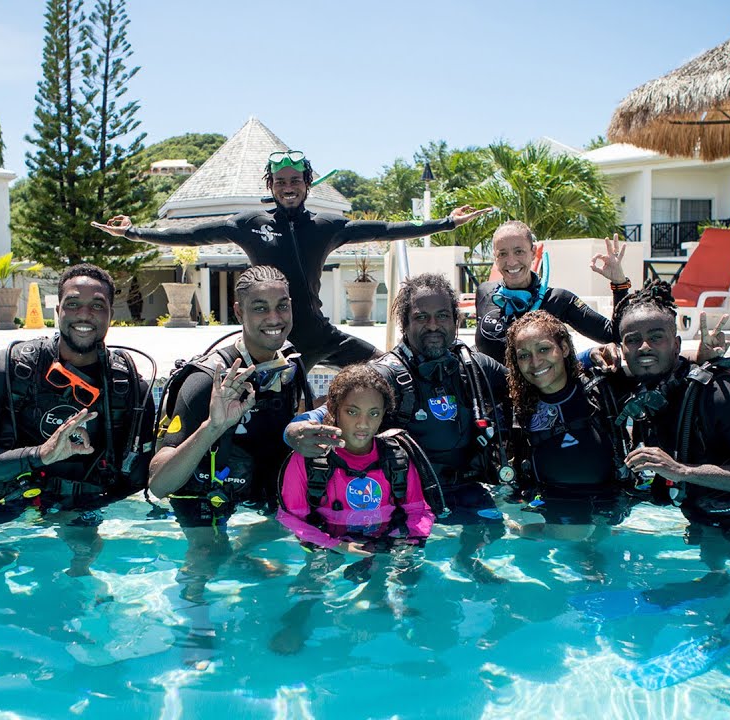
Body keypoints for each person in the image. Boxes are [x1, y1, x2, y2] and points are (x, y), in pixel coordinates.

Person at [93, 149, 490, 370]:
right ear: (271, 185)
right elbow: (192, 235)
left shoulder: (327, 224)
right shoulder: (248, 222)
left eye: (295, 181)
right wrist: (133, 231)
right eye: (280, 182)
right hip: (269, 336)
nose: (288, 187)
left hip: (317, 333)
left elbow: (385, 229)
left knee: (387, 369)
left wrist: (445, 224)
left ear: (306, 184)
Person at [288, 273, 511, 582]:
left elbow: (532, 380)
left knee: (496, 532)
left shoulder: (474, 368)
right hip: (405, 504)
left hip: (467, 491)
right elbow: (331, 411)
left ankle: (466, 559)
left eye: (442, 316)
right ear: (405, 323)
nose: (433, 325)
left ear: (456, 320)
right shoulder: (386, 375)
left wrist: (585, 357)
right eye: (421, 317)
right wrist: (294, 430)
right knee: (406, 580)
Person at [148, 266, 313, 662]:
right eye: (260, 308)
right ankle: (195, 622)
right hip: (202, 491)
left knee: (309, 525)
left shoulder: (290, 368)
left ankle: (238, 554)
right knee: (205, 555)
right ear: (239, 312)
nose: (274, 319)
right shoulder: (205, 381)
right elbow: (156, 484)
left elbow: (299, 426)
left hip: (251, 486)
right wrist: (212, 426)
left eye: (282, 306)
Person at [614, 280, 730, 624]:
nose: (644, 346)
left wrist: (682, 472)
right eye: (633, 340)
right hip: (704, 509)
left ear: (677, 344)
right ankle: (717, 581)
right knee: (715, 562)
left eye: (656, 336)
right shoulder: (648, 393)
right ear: (623, 349)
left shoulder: (722, 392)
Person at [0, 263, 155, 521]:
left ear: (110, 314)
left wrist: (76, 516)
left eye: (96, 305)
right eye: (72, 304)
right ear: (58, 310)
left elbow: (137, 478)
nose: (84, 314)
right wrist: (40, 454)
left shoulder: (131, 389)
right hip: (6, 510)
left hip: (87, 514)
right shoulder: (8, 368)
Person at [271, 364, 438, 654]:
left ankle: (386, 605)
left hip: (385, 540)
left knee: (408, 577)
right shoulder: (308, 460)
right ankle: (296, 620)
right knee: (312, 580)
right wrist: (336, 546)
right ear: (333, 410)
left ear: (384, 415)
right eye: (352, 412)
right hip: (328, 542)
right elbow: (290, 519)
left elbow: (418, 511)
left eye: (374, 414)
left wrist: (409, 544)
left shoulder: (396, 458)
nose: (363, 423)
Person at [504, 311, 638, 543]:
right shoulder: (517, 406)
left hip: (611, 501)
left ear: (564, 348)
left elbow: (658, 367)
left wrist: (703, 355)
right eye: (524, 355)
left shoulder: (603, 388)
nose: (535, 362)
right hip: (551, 504)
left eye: (544, 349)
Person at [474, 221, 633, 364]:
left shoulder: (559, 300)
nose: (511, 261)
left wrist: (619, 284)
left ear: (533, 252)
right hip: (486, 395)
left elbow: (616, 335)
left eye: (519, 251)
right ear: (495, 258)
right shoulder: (485, 292)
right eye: (502, 254)